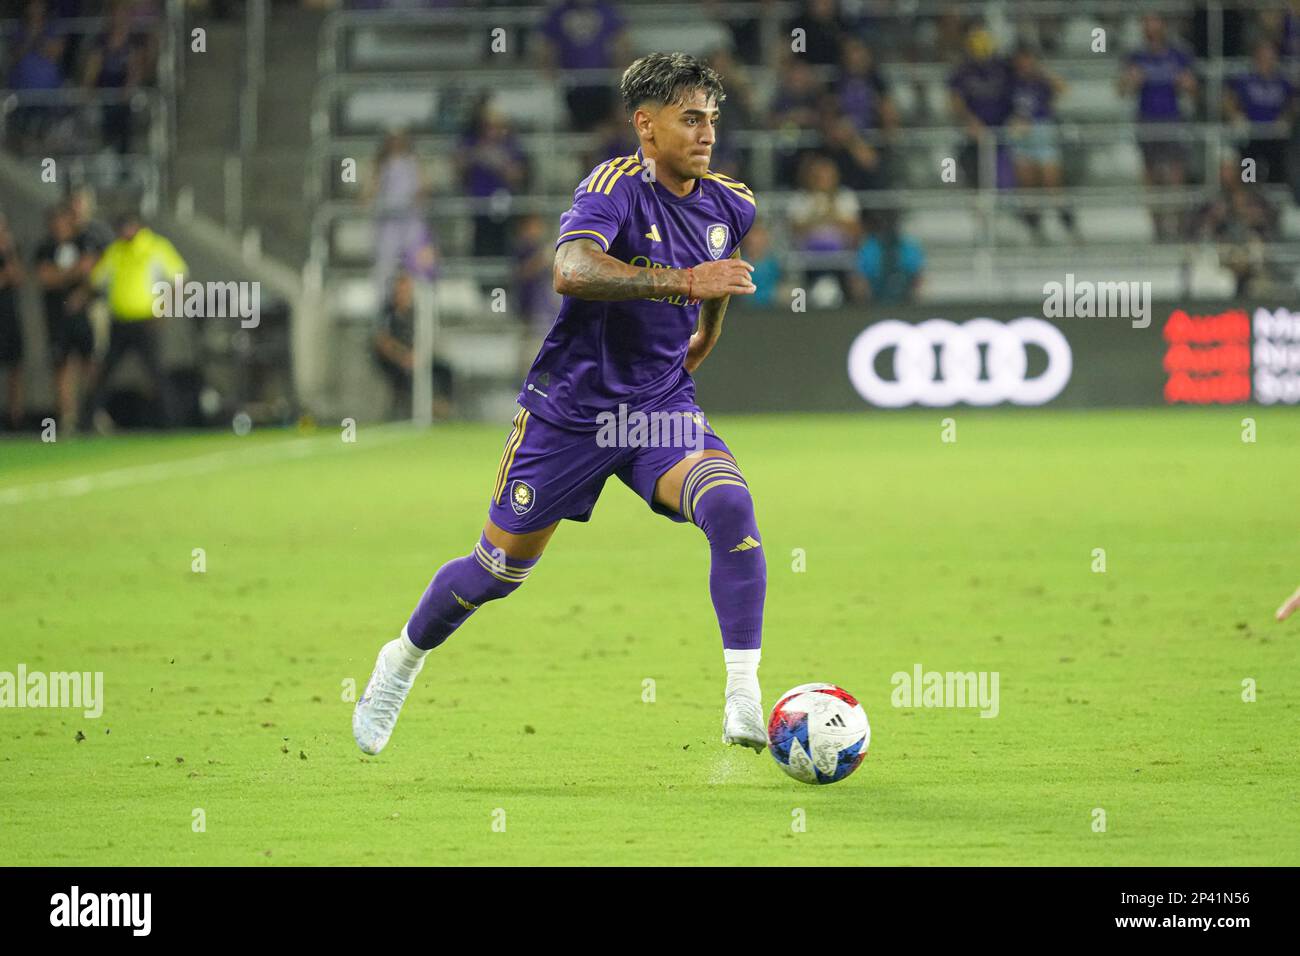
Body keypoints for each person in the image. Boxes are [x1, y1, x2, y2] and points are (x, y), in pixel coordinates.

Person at [353, 53, 766, 756]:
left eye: (712, 119)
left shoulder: (733, 200)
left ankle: (743, 699)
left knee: (728, 505)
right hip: (569, 413)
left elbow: (722, 274)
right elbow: (571, 271)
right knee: (494, 574)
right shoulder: (612, 189)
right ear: (647, 125)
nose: (706, 134)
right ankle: (401, 661)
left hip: (657, 408)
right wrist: (686, 281)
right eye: (689, 119)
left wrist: (706, 332)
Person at [80, 212, 187, 431]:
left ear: (137, 226)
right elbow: (96, 280)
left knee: (156, 374)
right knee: (104, 373)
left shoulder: (156, 247)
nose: (123, 232)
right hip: (119, 322)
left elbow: (179, 277)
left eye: (126, 227)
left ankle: (172, 422)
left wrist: (164, 309)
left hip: (146, 322)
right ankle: (86, 421)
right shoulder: (116, 250)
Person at [1120, 15, 1197, 240]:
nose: (1151, 29)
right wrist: (1130, 81)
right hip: (1146, 119)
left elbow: (1194, 90)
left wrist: (1187, 84)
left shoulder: (1179, 55)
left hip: (1173, 118)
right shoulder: (1135, 56)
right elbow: (1121, 90)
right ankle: (1158, 228)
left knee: (1175, 176)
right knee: (1152, 178)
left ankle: (1178, 226)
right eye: (1147, 25)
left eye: (1155, 24)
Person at [34, 204, 96, 430]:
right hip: (56, 317)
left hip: (81, 315)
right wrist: (72, 273)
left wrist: (62, 277)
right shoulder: (45, 247)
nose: (58, 226)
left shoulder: (83, 242)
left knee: (89, 364)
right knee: (61, 367)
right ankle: (67, 418)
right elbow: (44, 278)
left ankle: (92, 414)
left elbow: (90, 271)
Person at [1007, 43, 1076, 239]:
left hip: (1042, 129)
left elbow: (1064, 89)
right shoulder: (1011, 82)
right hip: (1020, 132)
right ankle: (1033, 225)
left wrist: (1042, 72)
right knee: (1026, 182)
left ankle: (1067, 224)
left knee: (1051, 182)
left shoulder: (1041, 80)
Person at [373, 269, 454, 421]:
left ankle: (442, 407)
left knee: (444, 369)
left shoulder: (416, 312)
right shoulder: (388, 312)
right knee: (408, 376)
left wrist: (419, 354)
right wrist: (402, 356)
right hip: (394, 360)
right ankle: (425, 410)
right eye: (401, 288)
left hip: (417, 356)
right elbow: (383, 341)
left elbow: (426, 336)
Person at [1224, 41, 1295, 185]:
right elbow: (1228, 99)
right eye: (1263, 58)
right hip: (1251, 135)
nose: (1267, 62)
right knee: (1248, 172)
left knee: (1278, 171)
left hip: (1274, 135)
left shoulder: (1282, 81)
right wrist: (1236, 115)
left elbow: (1293, 103)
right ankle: (1248, 196)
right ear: (1256, 59)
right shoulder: (1245, 80)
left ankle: (1277, 196)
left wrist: (1286, 117)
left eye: (1271, 58)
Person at [0, 212, 25, 430]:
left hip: (9, 317)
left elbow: (16, 277)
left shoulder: (10, 248)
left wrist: (7, 250)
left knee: (14, 366)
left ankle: (14, 420)